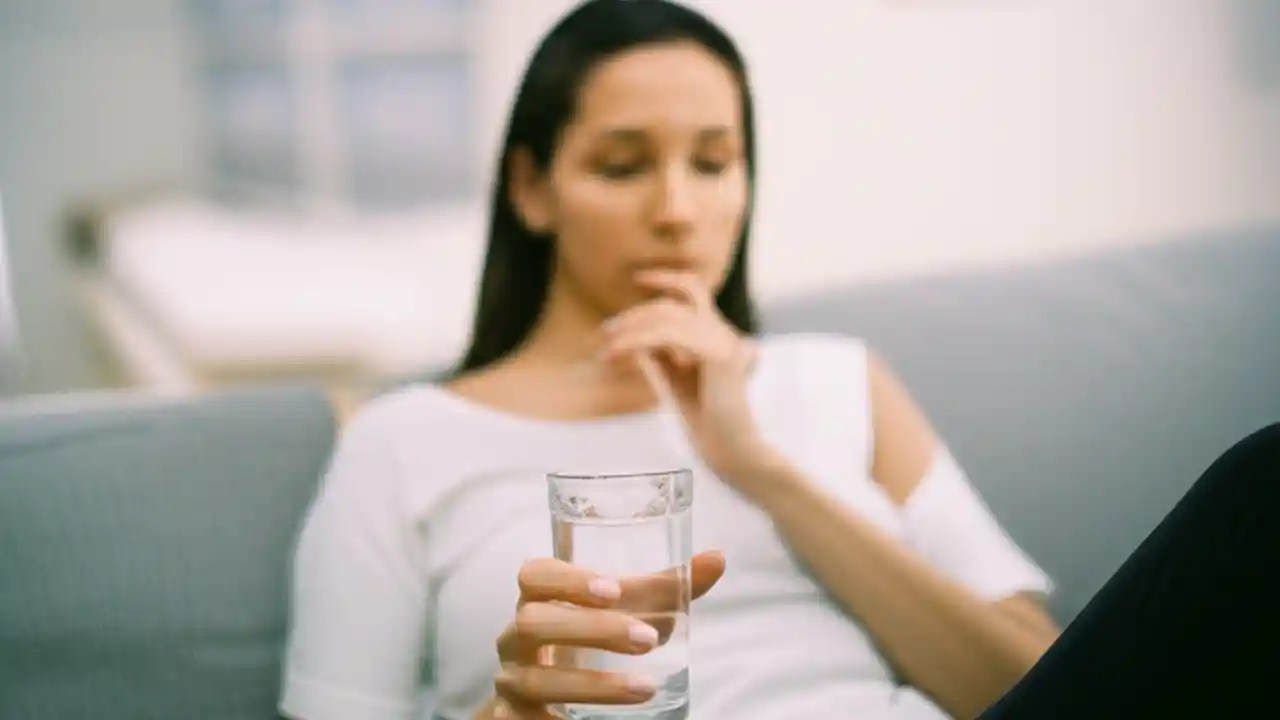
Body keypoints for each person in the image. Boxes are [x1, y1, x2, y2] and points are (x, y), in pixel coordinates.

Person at [278, 2, 1279, 719]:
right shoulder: (402, 443)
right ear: (532, 189)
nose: (677, 210)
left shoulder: (834, 380)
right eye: (623, 165)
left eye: (713, 163)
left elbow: (1034, 683)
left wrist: (760, 468)